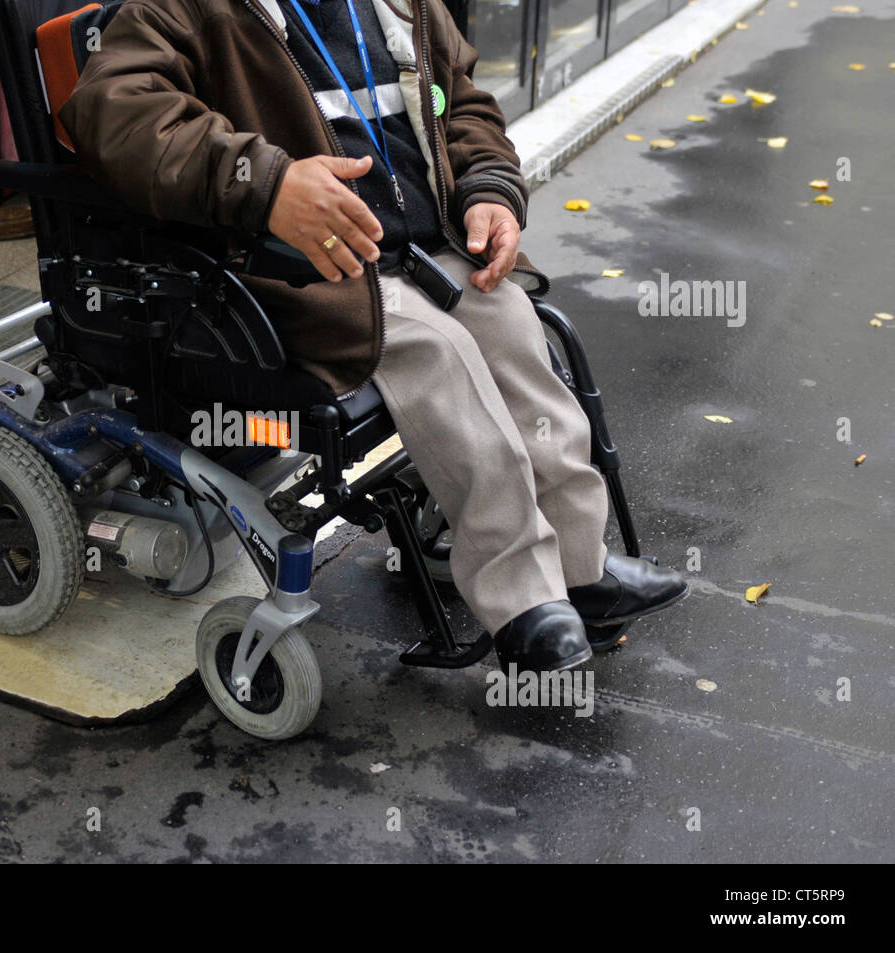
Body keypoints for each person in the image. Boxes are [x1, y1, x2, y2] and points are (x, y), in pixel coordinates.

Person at [60, 0, 688, 672]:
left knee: (511, 329)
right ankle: (523, 602)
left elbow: (463, 100)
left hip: (427, 245)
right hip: (310, 270)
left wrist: (488, 188)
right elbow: (112, 112)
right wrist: (265, 183)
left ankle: (579, 569)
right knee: (439, 356)